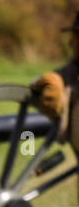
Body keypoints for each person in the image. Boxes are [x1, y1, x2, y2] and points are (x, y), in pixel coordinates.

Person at [29, 10, 79, 153]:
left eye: (75, 37)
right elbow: (35, 83)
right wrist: (52, 82)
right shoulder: (73, 70)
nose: (70, 43)